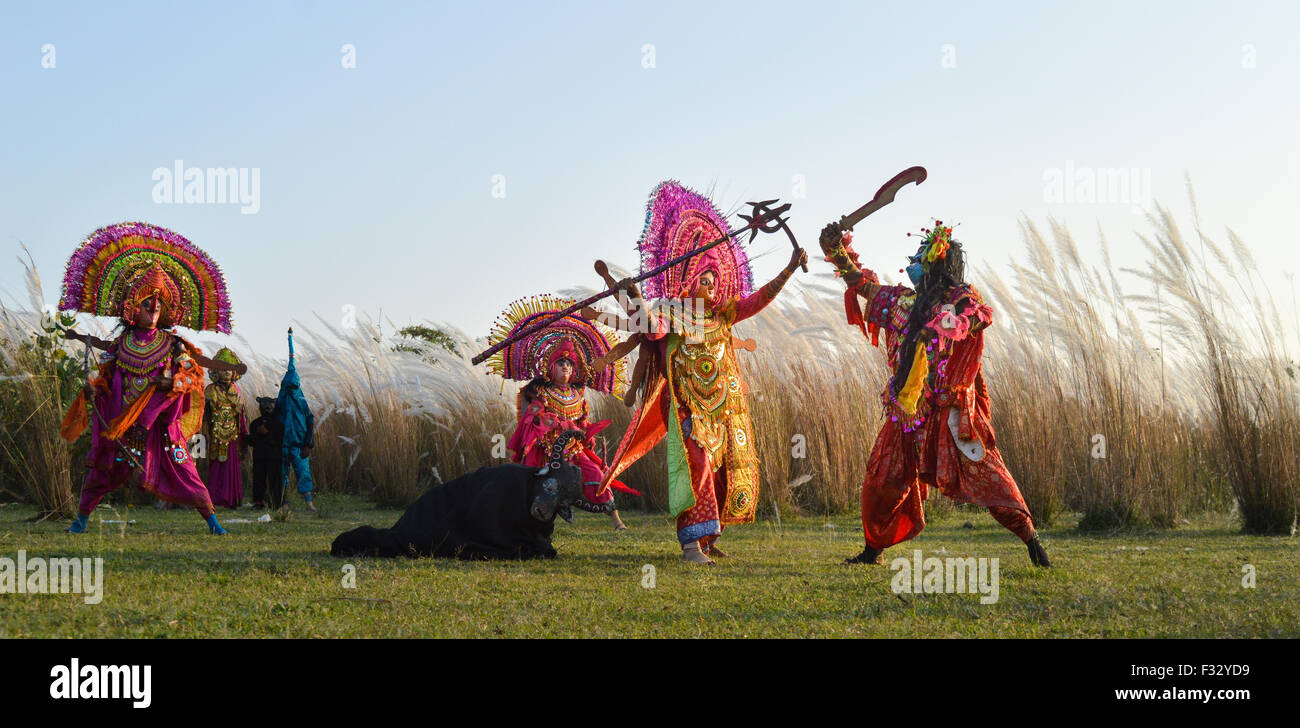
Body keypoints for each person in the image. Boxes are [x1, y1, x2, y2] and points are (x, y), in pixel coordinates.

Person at [818, 219, 1051, 567]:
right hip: (907, 410)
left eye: (920, 258)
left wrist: (945, 327)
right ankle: (873, 550)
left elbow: (979, 317)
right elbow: (863, 287)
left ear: (937, 265)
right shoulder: (902, 301)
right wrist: (836, 250)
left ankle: (1033, 543)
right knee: (883, 476)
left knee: (989, 477)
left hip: (950, 412)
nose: (913, 263)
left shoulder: (961, 299)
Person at [598, 181, 806, 564]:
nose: (708, 285)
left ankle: (709, 538)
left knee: (721, 468)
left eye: (712, 280)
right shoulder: (673, 314)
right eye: (701, 280)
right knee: (696, 465)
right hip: (686, 408)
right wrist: (635, 298)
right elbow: (651, 327)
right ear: (687, 281)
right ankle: (690, 545)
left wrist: (790, 269)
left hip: (722, 408)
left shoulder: (724, 315)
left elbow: (758, 300)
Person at [57, 222, 243, 535]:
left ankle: (213, 522)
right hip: (122, 425)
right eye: (147, 303)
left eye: (158, 304)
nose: (154, 308)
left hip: (160, 427)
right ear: (132, 308)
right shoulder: (120, 344)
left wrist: (173, 384)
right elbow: (106, 377)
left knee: (185, 469)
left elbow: (192, 379)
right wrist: (94, 391)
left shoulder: (173, 345)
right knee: (102, 475)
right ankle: (80, 521)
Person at [488, 295, 638, 528]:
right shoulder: (541, 393)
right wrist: (552, 423)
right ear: (551, 368)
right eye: (560, 363)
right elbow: (532, 416)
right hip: (548, 450)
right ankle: (523, 521)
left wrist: (585, 433)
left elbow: (583, 420)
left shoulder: (578, 395)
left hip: (575, 449)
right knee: (533, 482)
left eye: (569, 364)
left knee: (597, 477)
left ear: (575, 369)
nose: (565, 367)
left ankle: (617, 520)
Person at [276, 328, 316, 512]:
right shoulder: (281, 402)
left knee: (303, 473)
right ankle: (285, 504)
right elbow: (275, 421)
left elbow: (310, 421)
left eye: (294, 385)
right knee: (282, 474)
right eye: (288, 385)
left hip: (299, 445)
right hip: (283, 444)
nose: (291, 388)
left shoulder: (302, 402)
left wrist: (309, 443)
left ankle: (309, 503)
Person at [203, 347, 247, 509]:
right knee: (216, 467)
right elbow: (205, 415)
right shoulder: (210, 390)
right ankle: (214, 499)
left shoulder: (237, 391)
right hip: (215, 434)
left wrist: (244, 435)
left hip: (233, 435)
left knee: (232, 467)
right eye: (223, 369)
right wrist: (204, 434)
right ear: (216, 371)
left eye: (231, 369)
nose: (227, 372)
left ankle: (232, 499)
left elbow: (241, 417)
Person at [245, 397, 283, 509]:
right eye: (264, 407)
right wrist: (255, 434)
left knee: (275, 480)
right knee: (258, 479)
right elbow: (252, 442)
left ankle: (276, 503)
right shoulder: (255, 424)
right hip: (259, 457)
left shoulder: (278, 424)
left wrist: (267, 434)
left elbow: (280, 441)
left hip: (274, 457)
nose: (266, 409)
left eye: (269, 407)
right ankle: (258, 502)